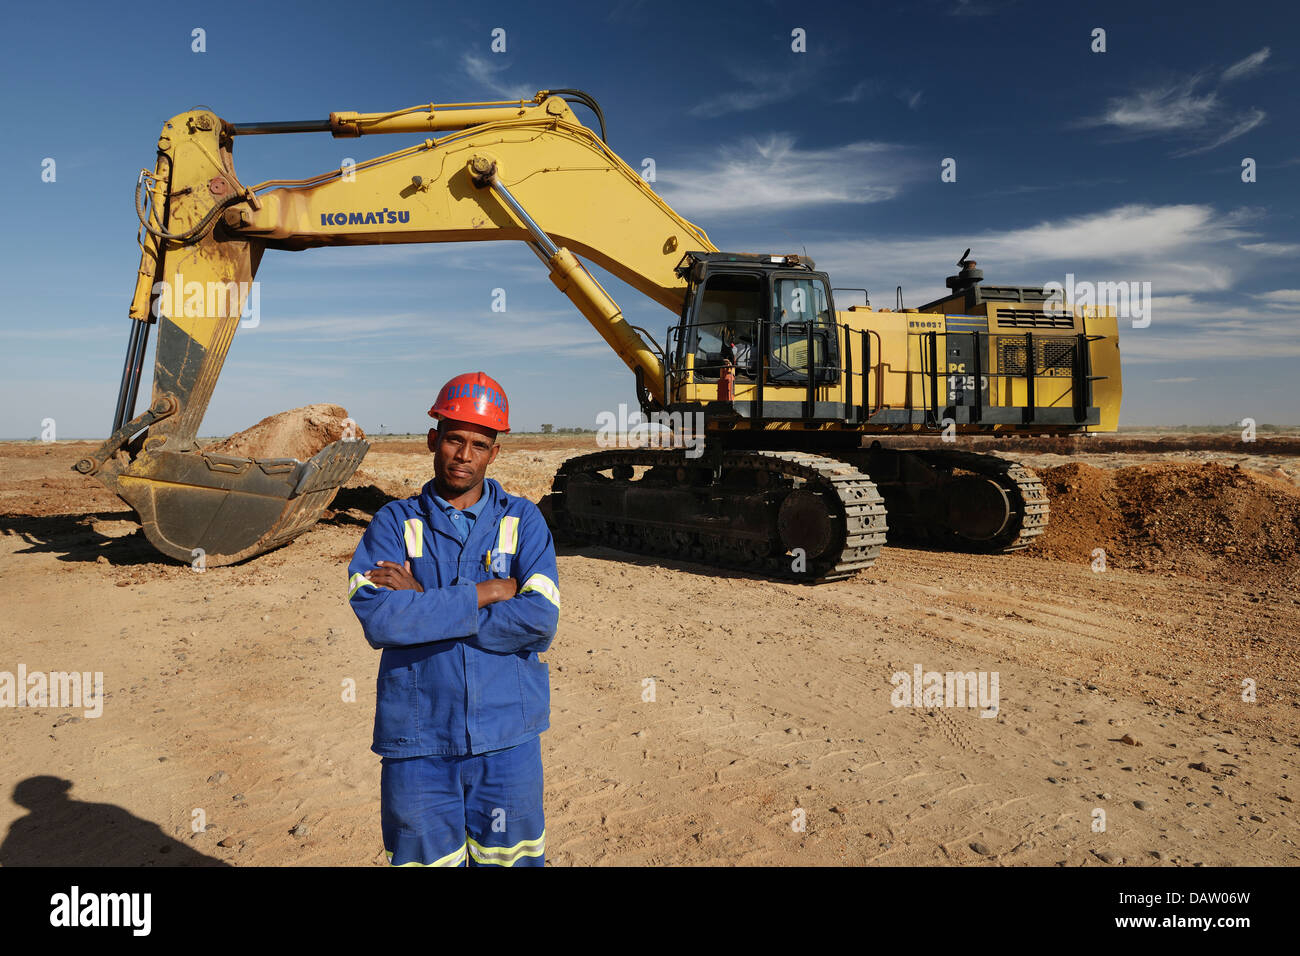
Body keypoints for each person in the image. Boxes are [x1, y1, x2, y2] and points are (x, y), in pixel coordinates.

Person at [347, 371, 560, 866]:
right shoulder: (393, 523)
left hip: (506, 740)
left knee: (514, 859)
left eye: (479, 444)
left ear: (494, 453)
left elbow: (538, 622)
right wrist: (485, 593)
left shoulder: (523, 521)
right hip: (418, 743)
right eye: (454, 440)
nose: (464, 455)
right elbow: (381, 621)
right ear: (432, 440)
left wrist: (425, 598)